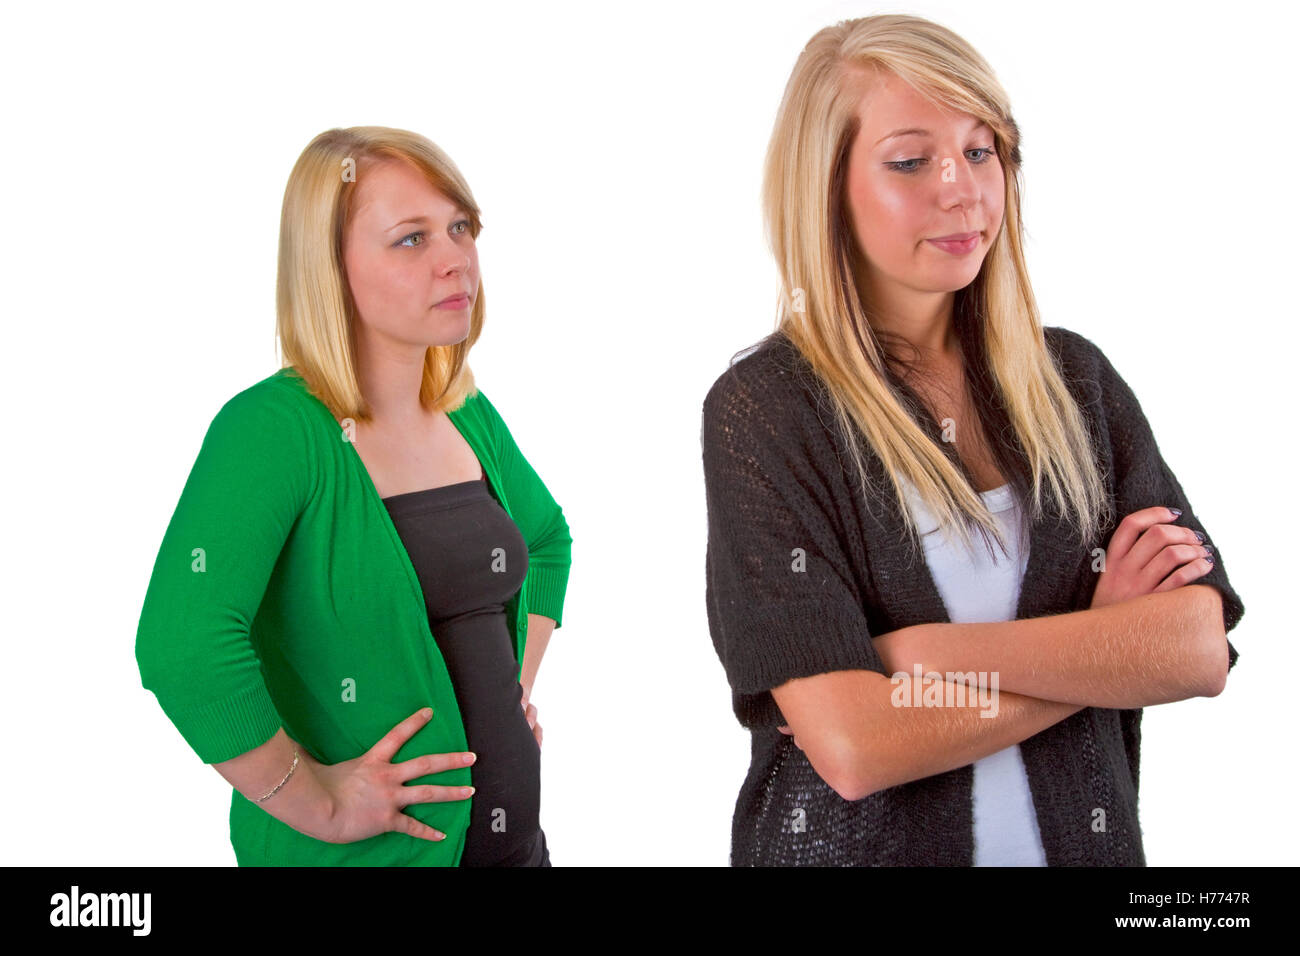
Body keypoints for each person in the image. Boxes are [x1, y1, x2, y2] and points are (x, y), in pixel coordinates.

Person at [701, 15, 1244, 866]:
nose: (962, 190)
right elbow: (852, 745)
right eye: (911, 161)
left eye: (982, 150)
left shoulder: (1077, 382)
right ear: (826, 185)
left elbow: (1196, 648)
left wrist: (925, 660)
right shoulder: (765, 410)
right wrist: (1099, 647)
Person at [135, 126, 572, 866]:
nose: (455, 260)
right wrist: (321, 800)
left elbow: (546, 540)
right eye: (411, 239)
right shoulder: (273, 432)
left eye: (460, 228)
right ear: (328, 267)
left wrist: (508, 690)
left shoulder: (464, 412)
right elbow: (183, 649)